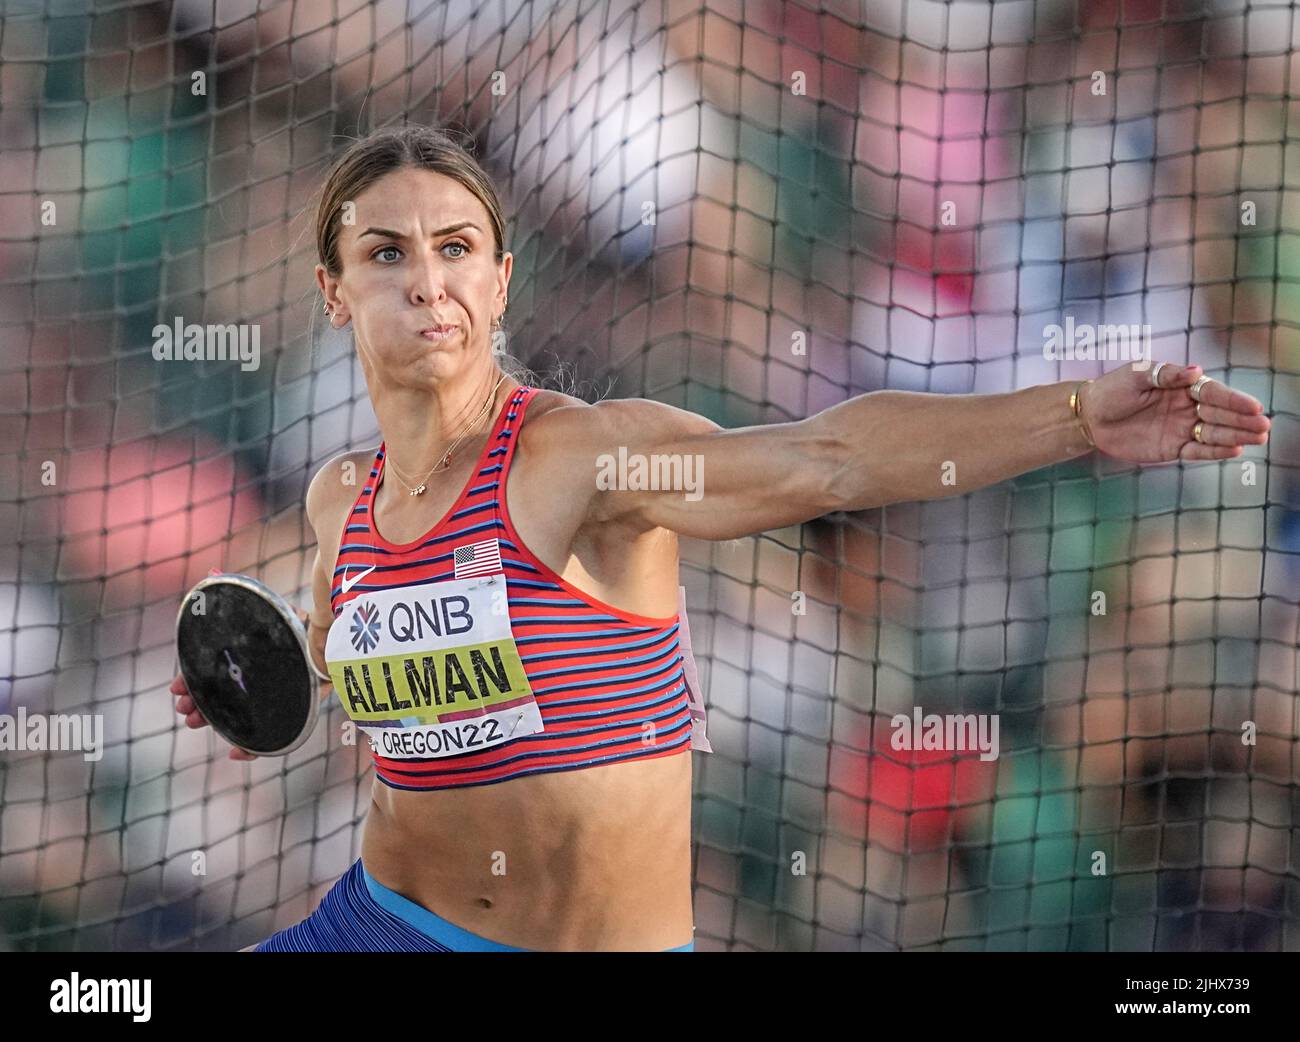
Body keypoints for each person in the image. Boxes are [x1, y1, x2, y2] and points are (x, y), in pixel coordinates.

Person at [168, 124, 1271, 952]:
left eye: (456, 247)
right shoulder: (338, 499)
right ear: (332, 290)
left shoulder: (587, 461)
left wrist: (1075, 413)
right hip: (381, 926)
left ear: (500, 280)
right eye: (385, 253)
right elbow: (338, 648)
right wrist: (249, 683)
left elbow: (828, 457)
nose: (426, 281)